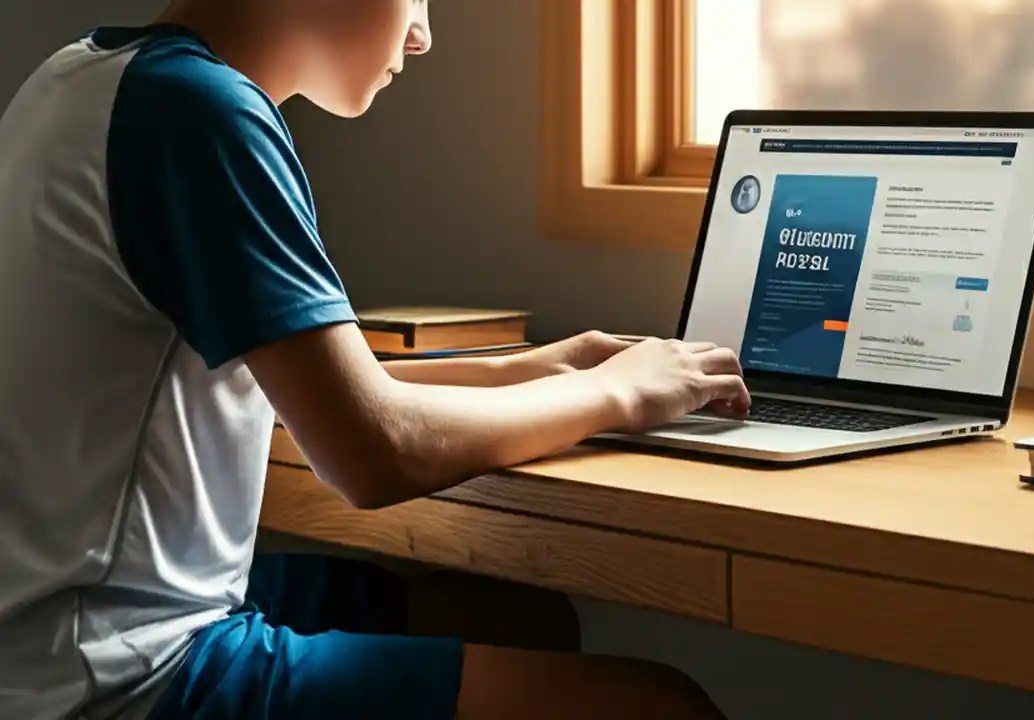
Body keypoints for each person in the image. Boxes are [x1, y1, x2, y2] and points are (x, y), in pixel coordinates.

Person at [0, 1, 751, 718]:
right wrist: (620, 396)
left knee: (512, 615)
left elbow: (306, 385)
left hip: (48, 630)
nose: (422, 35)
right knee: (661, 706)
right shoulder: (200, 113)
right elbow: (374, 451)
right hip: (115, 675)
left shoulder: (84, 78)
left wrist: (537, 369)